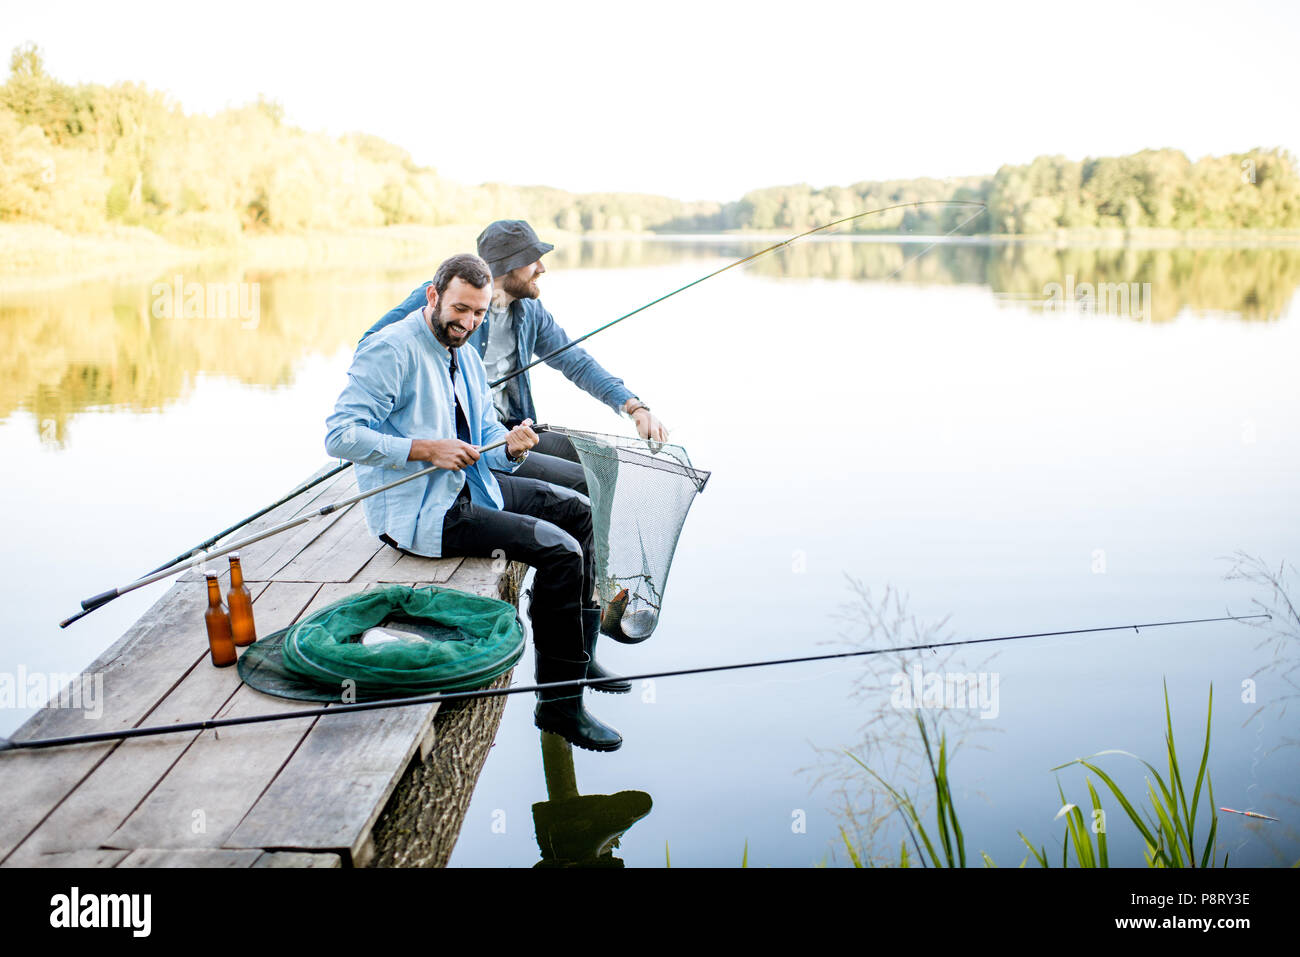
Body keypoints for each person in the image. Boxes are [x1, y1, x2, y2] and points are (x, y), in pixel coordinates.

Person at [325, 253, 625, 753]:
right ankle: (559, 706)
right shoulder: (391, 349)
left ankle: (577, 651)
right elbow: (340, 435)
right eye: (460, 309)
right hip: (425, 515)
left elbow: (485, 429)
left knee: (579, 511)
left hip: (475, 486)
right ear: (433, 296)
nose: (467, 323)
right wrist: (424, 449)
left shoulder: (462, 352)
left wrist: (509, 445)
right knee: (560, 552)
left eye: (478, 314)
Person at [361, 220, 668, 495]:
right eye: (532, 260)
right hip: (468, 439)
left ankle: (596, 557)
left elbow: (575, 361)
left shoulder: (530, 311)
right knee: (582, 481)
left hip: (511, 427)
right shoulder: (445, 297)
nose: (542, 268)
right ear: (508, 265)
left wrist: (634, 408)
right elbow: (371, 345)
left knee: (604, 463)